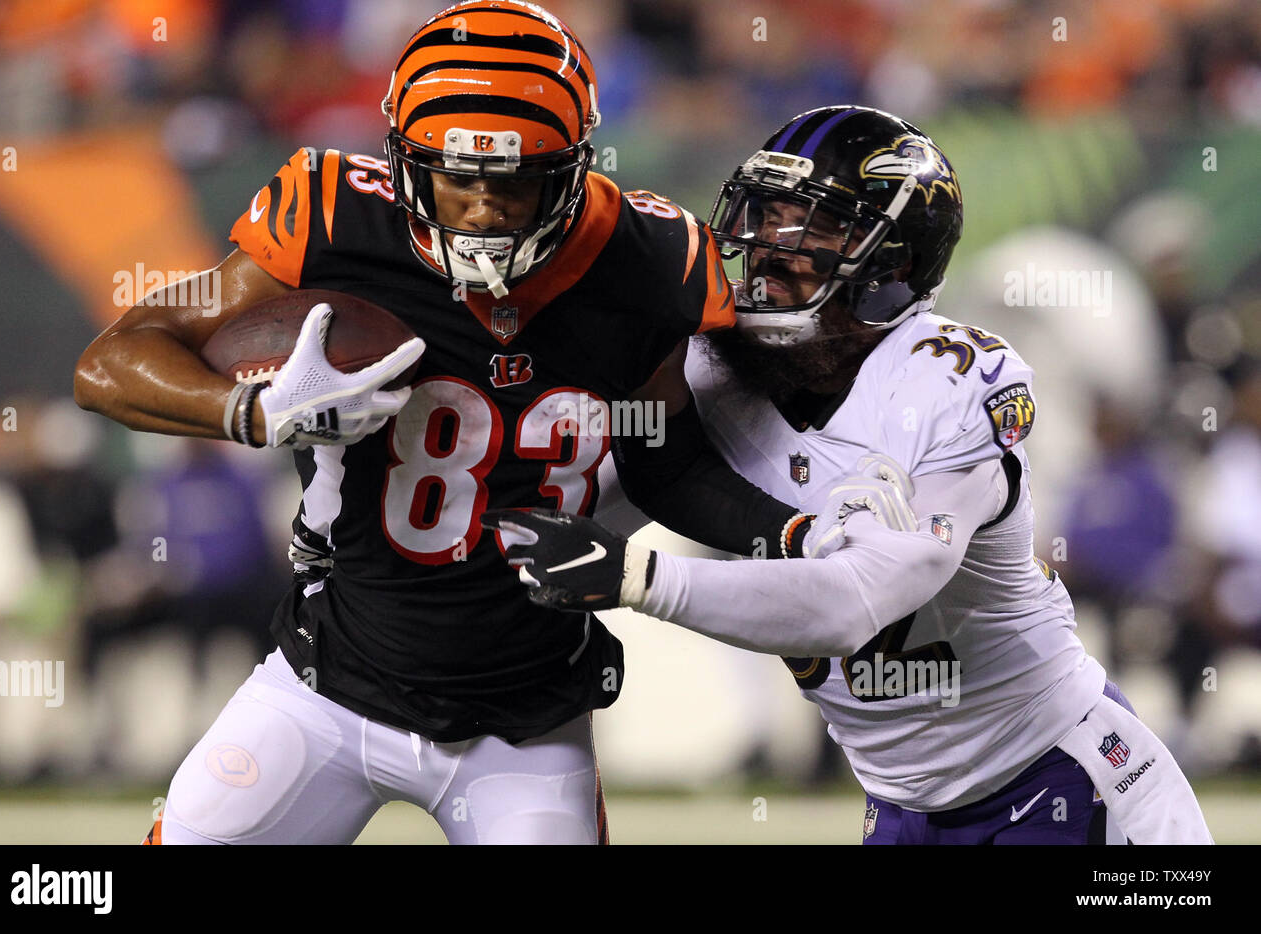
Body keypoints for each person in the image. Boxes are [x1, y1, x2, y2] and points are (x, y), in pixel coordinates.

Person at [73, 1, 812, 845]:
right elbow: (108, 364)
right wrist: (252, 410)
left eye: (517, 180)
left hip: (525, 720)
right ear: (402, 159)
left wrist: (799, 535)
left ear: (576, 166)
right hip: (329, 684)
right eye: (459, 178)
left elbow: (668, 461)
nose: (484, 210)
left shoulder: (645, 259)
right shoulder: (334, 220)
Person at [485, 105, 1214, 844]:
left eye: (813, 226)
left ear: (893, 265)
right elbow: (574, 520)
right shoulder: (710, 372)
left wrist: (641, 581)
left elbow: (855, 604)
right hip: (898, 804)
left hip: (1059, 776)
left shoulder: (948, 383)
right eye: (766, 215)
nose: (771, 246)